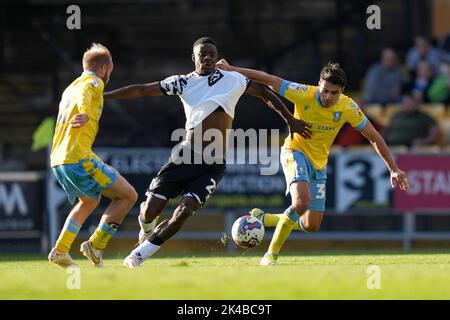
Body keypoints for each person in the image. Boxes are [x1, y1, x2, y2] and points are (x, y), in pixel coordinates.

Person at [103, 37, 311, 268]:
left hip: (213, 164)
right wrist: (103, 97)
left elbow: (265, 93)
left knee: (183, 211)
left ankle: (138, 256)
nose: (208, 58)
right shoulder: (182, 82)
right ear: (194, 58)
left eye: (212, 54)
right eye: (203, 54)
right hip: (185, 156)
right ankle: (146, 227)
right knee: (149, 212)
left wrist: (290, 120)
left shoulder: (233, 79)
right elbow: (141, 90)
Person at [216, 59, 410, 266]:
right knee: (300, 204)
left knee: (311, 225)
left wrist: (393, 168)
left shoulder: (348, 107)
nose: (328, 97)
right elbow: (270, 80)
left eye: (334, 93)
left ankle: (266, 219)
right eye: (325, 90)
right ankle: (270, 255)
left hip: (319, 164)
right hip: (295, 152)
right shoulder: (303, 93)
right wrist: (232, 70)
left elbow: (373, 136)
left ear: (342, 92)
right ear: (319, 84)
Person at [48, 43, 138, 268]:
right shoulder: (93, 82)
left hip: (59, 159)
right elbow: (86, 93)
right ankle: (96, 244)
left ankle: (60, 251)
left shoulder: (70, 86)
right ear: (105, 68)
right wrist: (86, 114)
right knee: (128, 195)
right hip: (78, 157)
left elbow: (81, 93)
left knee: (89, 200)